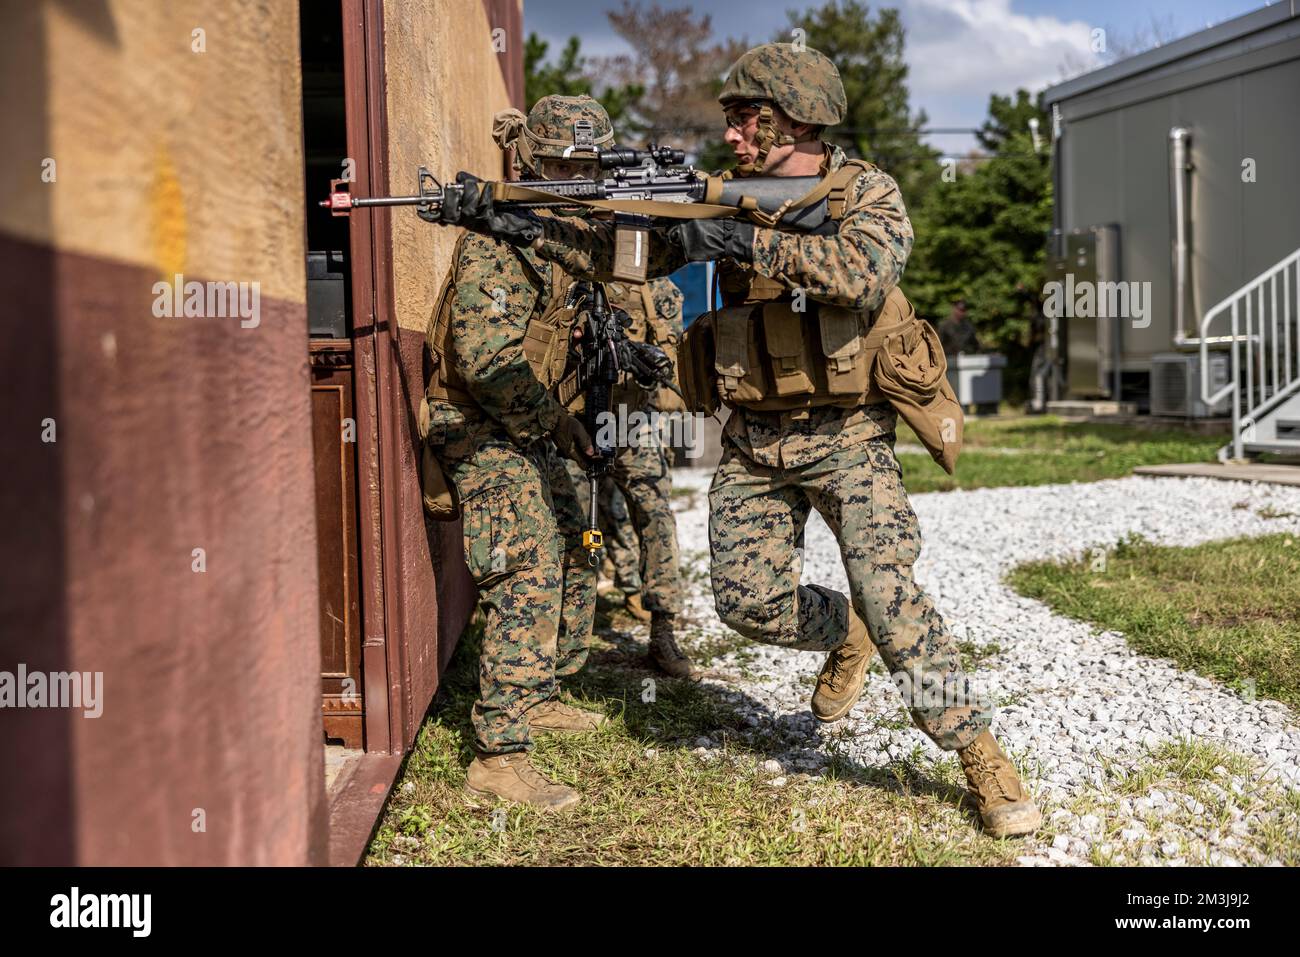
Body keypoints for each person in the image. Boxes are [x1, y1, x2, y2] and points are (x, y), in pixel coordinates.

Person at [438, 44, 1041, 838]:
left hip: (849, 435)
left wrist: (748, 241)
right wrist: (513, 219)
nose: (729, 135)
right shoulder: (718, 203)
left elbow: (864, 273)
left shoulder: (865, 193)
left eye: (743, 117)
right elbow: (618, 260)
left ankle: (982, 760)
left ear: (792, 119)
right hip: (754, 441)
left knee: (894, 602)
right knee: (747, 603)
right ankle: (842, 629)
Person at [418, 95, 619, 812]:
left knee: (573, 532)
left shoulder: (558, 235)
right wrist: (557, 428)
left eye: (583, 164)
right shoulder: (500, 235)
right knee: (529, 551)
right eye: (559, 161)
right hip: (475, 421)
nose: (570, 174)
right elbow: (483, 359)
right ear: (532, 159)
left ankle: (534, 692)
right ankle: (498, 755)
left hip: (523, 421)